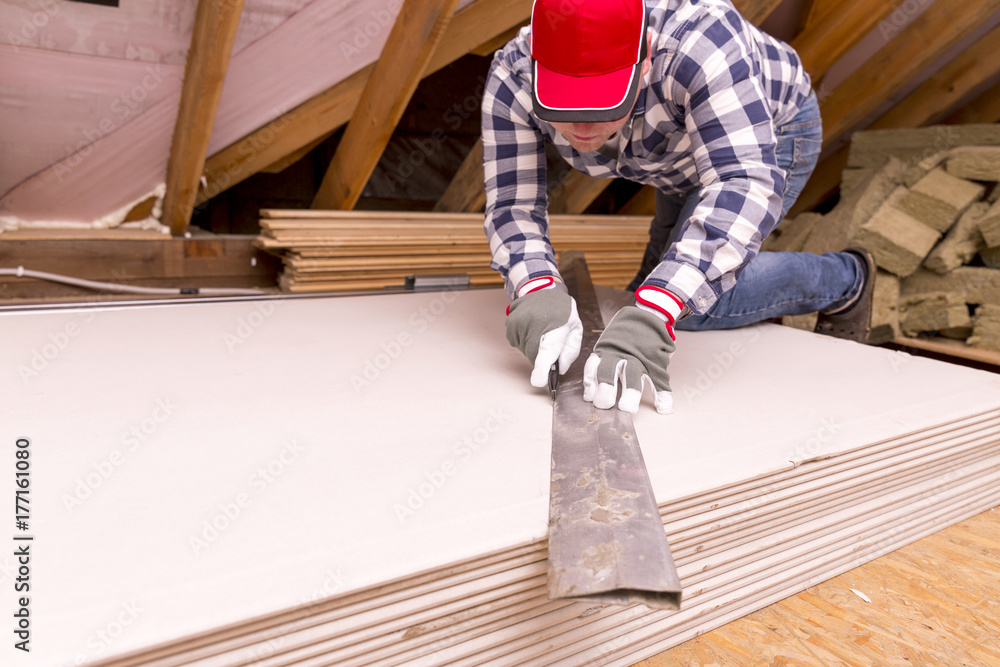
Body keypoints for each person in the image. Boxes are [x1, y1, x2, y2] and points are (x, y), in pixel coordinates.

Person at [484, 0, 875, 415]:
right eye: (565, 105)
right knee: (640, 297)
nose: (582, 128)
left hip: (766, 133)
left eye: (602, 105)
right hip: (671, 153)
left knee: (689, 306)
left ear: (645, 57)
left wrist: (659, 309)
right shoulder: (513, 75)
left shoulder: (702, 44)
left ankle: (847, 281)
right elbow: (512, 203)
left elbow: (741, 183)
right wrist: (535, 287)